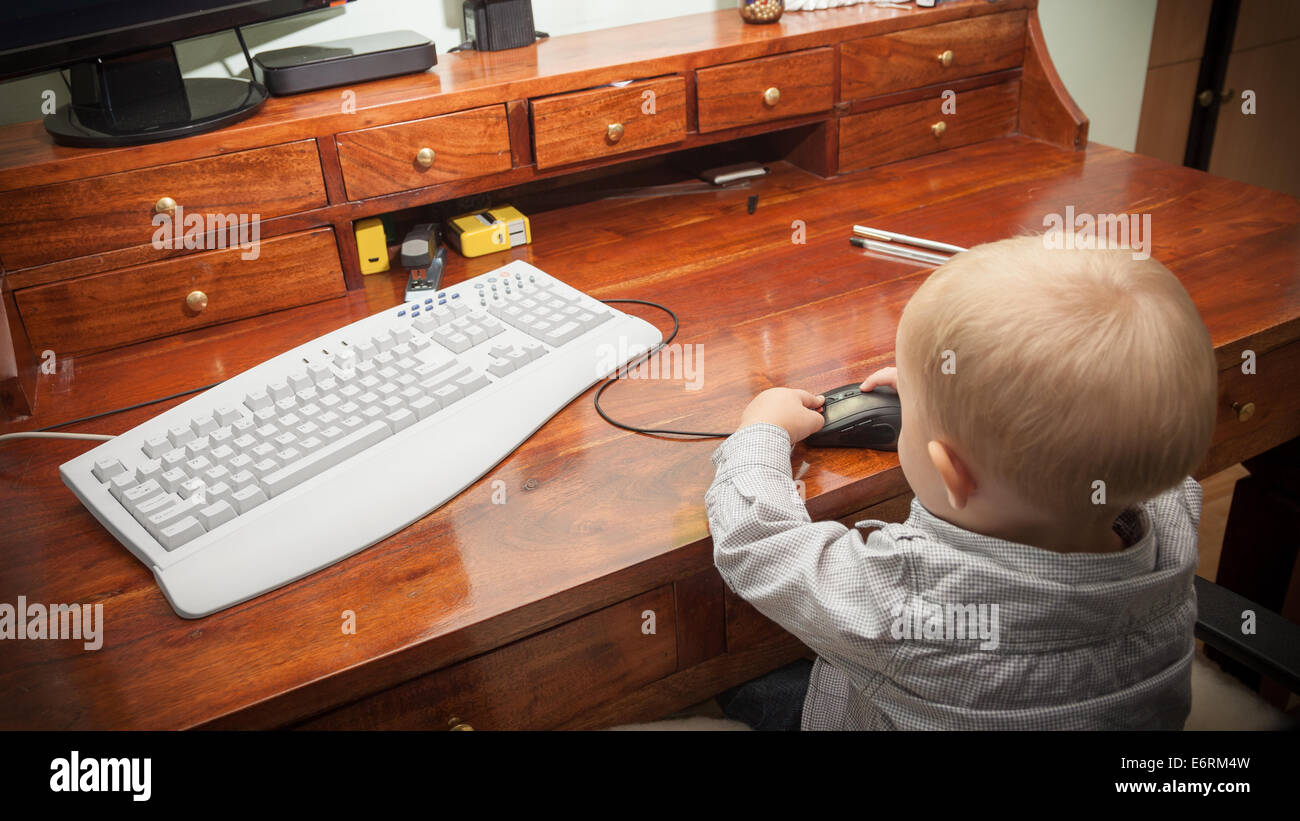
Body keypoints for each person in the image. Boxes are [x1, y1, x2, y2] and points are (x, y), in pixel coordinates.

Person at [706, 236, 1218, 730]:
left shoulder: (906, 596)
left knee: (740, 678)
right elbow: (1134, 440)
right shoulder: (1175, 524)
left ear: (952, 474)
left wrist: (761, 433)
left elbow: (759, 546)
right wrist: (954, 402)